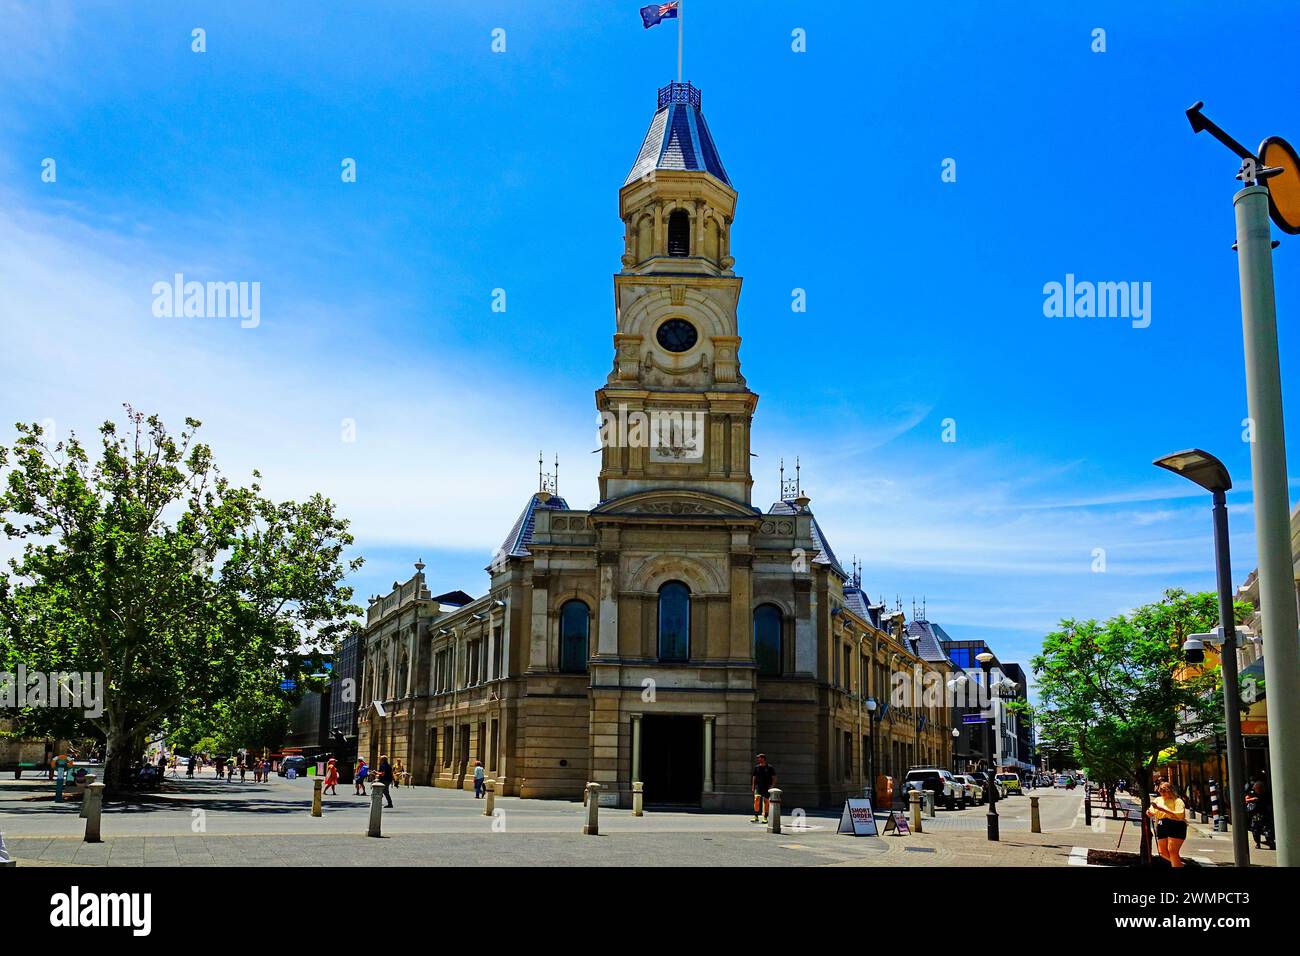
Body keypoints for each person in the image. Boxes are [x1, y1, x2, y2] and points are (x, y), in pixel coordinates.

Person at [1147, 781, 1189, 868]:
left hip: (1176, 824)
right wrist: (1149, 812)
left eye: (1164, 790)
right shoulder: (1158, 800)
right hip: (1162, 823)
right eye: (1160, 790)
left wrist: (1163, 809)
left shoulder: (1177, 801)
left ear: (1170, 791)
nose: (1162, 792)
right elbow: (1151, 811)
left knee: (1172, 851)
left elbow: (1179, 815)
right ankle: (1178, 864)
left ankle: (1176, 864)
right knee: (1162, 852)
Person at [1244, 781, 1275, 850]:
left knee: (1268, 831)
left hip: (1264, 814)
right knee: (1255, 831)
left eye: (1260, 788)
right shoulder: (1252, 793)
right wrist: (1253, 799)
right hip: (1255, 815)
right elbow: (1246, 799)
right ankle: (1258, 843)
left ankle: (1271, 843)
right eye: (1257, 788)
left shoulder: (1266, 794)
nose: (1259, 790)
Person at [751, 753, 777, 824]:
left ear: (763, 759)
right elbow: (754, 777)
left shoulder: (769, 767)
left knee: (766, 802)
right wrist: (753, 786)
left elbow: (774, 777)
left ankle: (765, 817)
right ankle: (756, 817)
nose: (758, 759)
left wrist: (772, 785)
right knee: (756, 800)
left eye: (759, 758)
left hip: (767, 787)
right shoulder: (756, 767)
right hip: (758, 786)